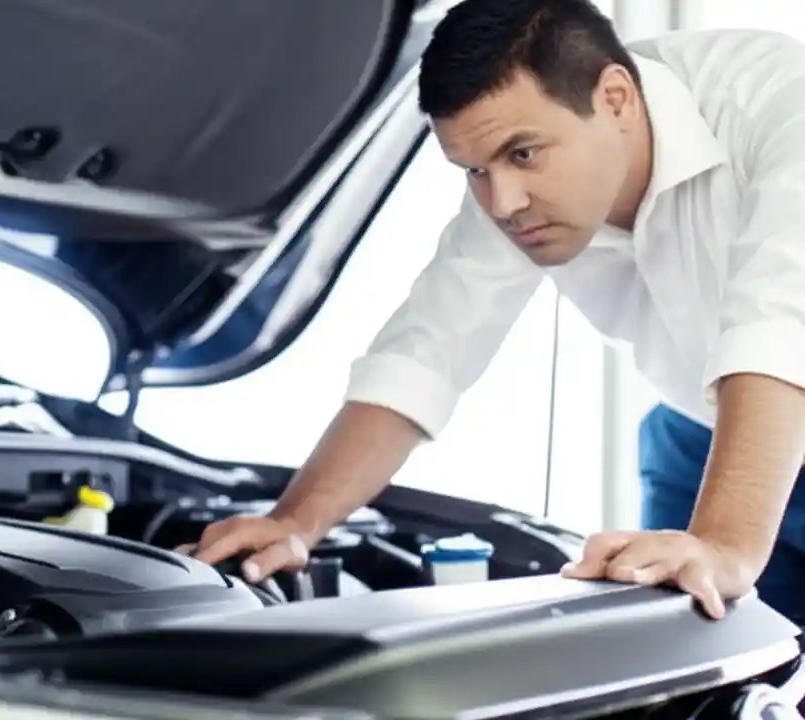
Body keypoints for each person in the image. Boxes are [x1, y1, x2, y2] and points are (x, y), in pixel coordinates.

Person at [182, 0, 805, 623]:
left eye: (523, 155)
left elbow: (779, 327)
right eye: (474, 170)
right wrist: (294, 522)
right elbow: (427, 350)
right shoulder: (514, 176)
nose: (503, 202)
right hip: (697, 438)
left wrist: (723, 546)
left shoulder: (780, 106)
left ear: (615, 99)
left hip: (770, 420)